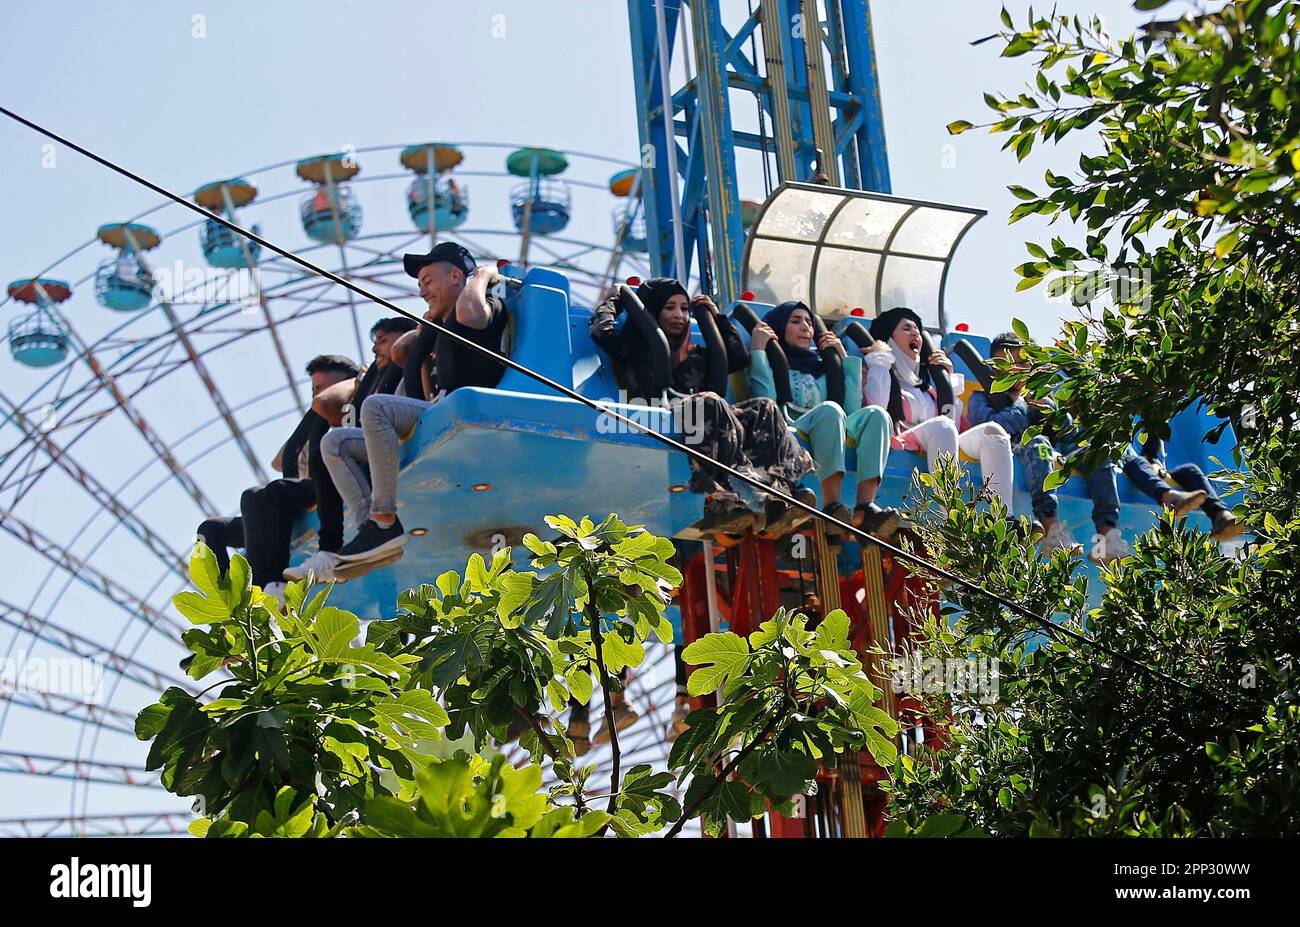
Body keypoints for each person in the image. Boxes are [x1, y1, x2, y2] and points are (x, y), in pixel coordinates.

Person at [323, 242, 509, 567]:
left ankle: (384, 519)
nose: (423, 291)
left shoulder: (485, 304)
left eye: (427, 281)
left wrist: (480, 276)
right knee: (334, 442)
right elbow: (404, 356)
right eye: (420, 285)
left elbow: (470, 314)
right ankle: (373, 529)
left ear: (456, 276)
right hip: (437, 410)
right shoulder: (438, 327)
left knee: (376, 407)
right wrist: (425, 328)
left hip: (472, 409)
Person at [589, 277, 819, 536]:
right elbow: (601, 330)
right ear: (652, 310)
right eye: (670, 308)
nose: (679, 315)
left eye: (684, 309)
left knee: (764, 407)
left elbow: (737, 357)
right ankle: (719, 498)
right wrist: (617, 298)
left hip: (712, 416)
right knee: (709, 401)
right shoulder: (634, 347)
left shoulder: (699, 354)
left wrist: (714, 314)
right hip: (665, 409)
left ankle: (779, 493)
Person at [196, 354, 361, 596]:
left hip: (329, 489)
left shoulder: (348, 407)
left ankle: (269, 585)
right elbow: (279, 461)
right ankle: (229, 600)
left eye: (323, 388)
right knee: (211, 529)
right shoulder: (314, 419)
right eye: (314, 389)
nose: (317, 395)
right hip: (293, 497)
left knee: (259, 495)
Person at [969, 332, 1130, 562]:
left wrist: (1049, 409)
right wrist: (1022, 405)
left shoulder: (1044, 396)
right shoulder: (981, 398)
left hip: (1052, 454)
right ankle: (1051, 526)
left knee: (1095, 451)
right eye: (1006, 364)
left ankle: (1107, 533)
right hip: (1012, 450)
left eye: (1021, 364)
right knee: (1038, 443)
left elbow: (1068, 434)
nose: (1014, 371)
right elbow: (991, 428)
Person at [748, 301, 899, 537]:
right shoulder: (774, 362)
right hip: (788, 425)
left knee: (877, 415)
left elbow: (848, 408)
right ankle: (832, 505)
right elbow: (764, 401)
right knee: (829, 410)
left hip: (831, 424)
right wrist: (758, 349)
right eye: (796, 322)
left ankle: (865, 507)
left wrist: (841, 356)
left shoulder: (821, 368)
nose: (805, 328)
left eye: (809, 322)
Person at [863, 307, 1016, 521]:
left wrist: (947, 377)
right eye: (906, 328)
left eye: (917, 329)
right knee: (942, 426)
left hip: (940, 440)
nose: (915, 333)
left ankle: (1004, 517)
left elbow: (953, 422)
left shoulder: (929, 384)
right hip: (901, 439)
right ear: (889, 337)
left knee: (993, 432)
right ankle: (950, 518)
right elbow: (877, 406)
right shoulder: (877, 369)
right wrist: (880, 359)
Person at [1120, 440, 1243, 541]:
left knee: (1190, 470)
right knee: (1136, 461)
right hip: (1128, 465)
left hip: (1152, 467)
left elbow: (1149, 450)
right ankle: (1169, 498)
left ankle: (1220, 515)